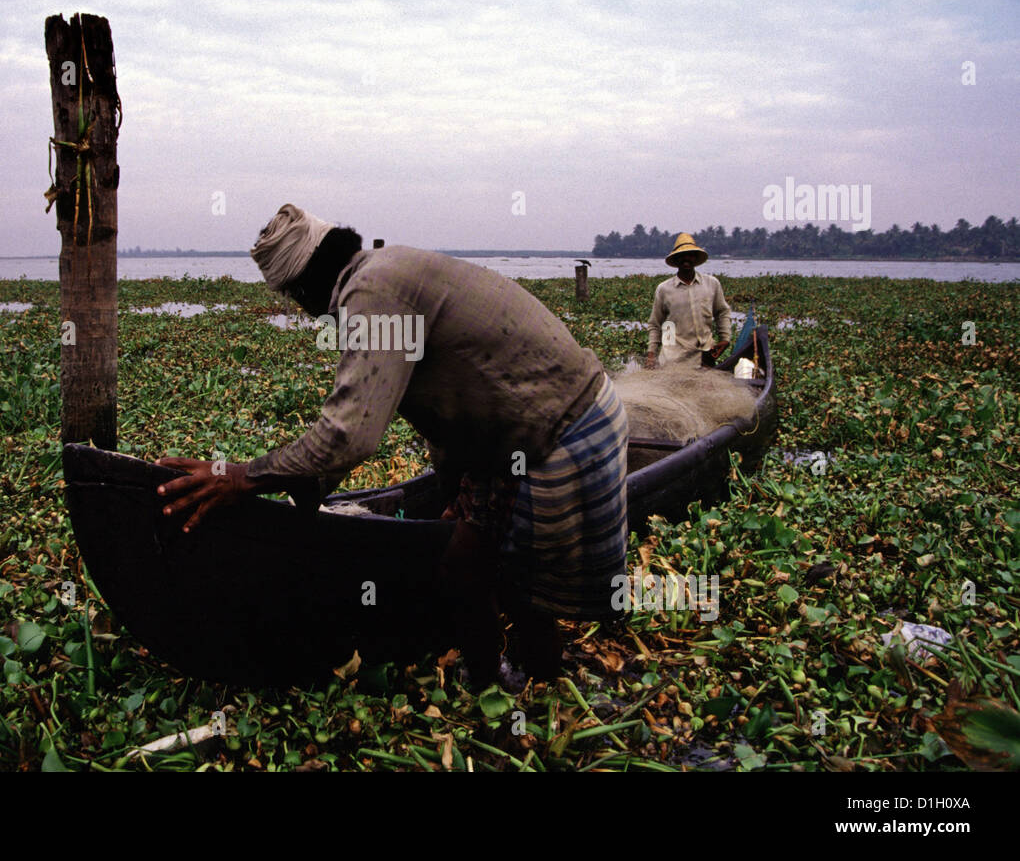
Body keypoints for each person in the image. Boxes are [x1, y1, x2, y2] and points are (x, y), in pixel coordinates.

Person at [155, 204, 629, 686]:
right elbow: (438, 402)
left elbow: (351, 433)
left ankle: (529, 687)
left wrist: (244, 476)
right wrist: (317, 487)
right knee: (469, 563)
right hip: (514, 432)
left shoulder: (373, 291)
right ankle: (495, 679)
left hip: (563, 426)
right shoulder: (382, 271)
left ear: (302, 289)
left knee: (514, 583)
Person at [645, 232, 732, 369]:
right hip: (673, 358)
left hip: (705, 356)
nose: (686, 259)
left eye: (690, 254)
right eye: (681, 256)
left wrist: (725, 339)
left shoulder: (711, 284)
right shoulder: (664, 289)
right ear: (676, 260)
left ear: (696, 258)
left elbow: (722, 312)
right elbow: (655, 324)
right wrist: (651, 355)